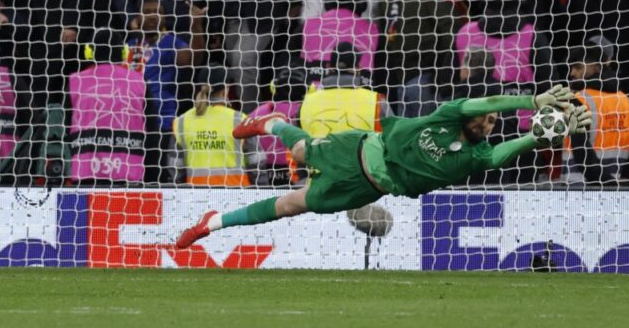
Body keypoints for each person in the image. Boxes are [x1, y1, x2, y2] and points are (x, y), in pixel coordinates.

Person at [176, 86, 588, 249]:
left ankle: (213, 222)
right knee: (300, 151)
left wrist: (538, 136)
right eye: (489, 121)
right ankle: (271, 122)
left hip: (369, 187)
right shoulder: (447, 116)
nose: (491, 124)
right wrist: (530, 103)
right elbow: (486, 103)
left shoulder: (476, 156)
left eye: (495, 125)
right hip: (355, 150)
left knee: (291, 205)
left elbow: (502, 155)